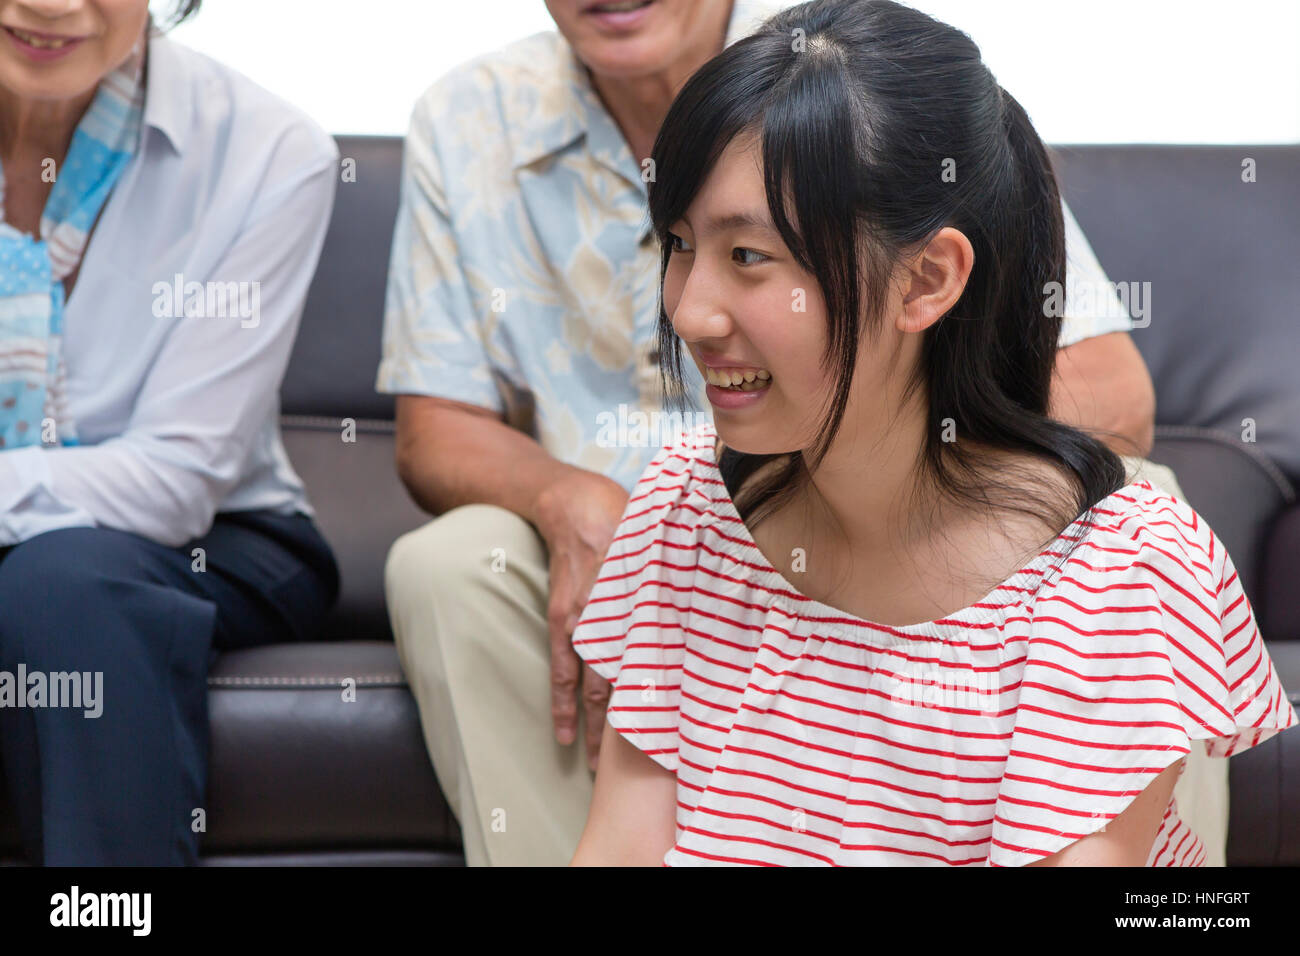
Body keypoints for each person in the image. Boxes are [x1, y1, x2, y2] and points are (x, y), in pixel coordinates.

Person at [379, 0, 1222, 866]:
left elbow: (1109, 395)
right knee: (452, 560)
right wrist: (615, 509)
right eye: (676, 246)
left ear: (929, 278)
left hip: (907, 502)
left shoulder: (867, 90)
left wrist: (879, 480)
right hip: (704, 526)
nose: (689, 314)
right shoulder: (682, 509)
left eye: (749, 257)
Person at [0, 0, 339, 864]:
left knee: (61, 581)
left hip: (215, 537)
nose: (51, 4)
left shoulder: (269, 151)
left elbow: (177, 480)